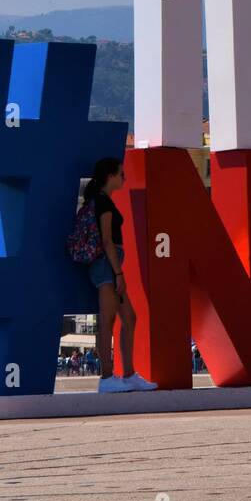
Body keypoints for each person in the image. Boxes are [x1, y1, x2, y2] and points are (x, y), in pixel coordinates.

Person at [81, 157, 158, 393]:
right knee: (108, 321)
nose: (123, 177)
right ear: (109, 176)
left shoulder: (105, 201)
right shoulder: (102, 203)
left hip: (110, 266)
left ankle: (129, 373)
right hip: (107, 266)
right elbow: (107, 240)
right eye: (120, 174)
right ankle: (106, 378)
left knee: (130, 318)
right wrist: (119, 273)